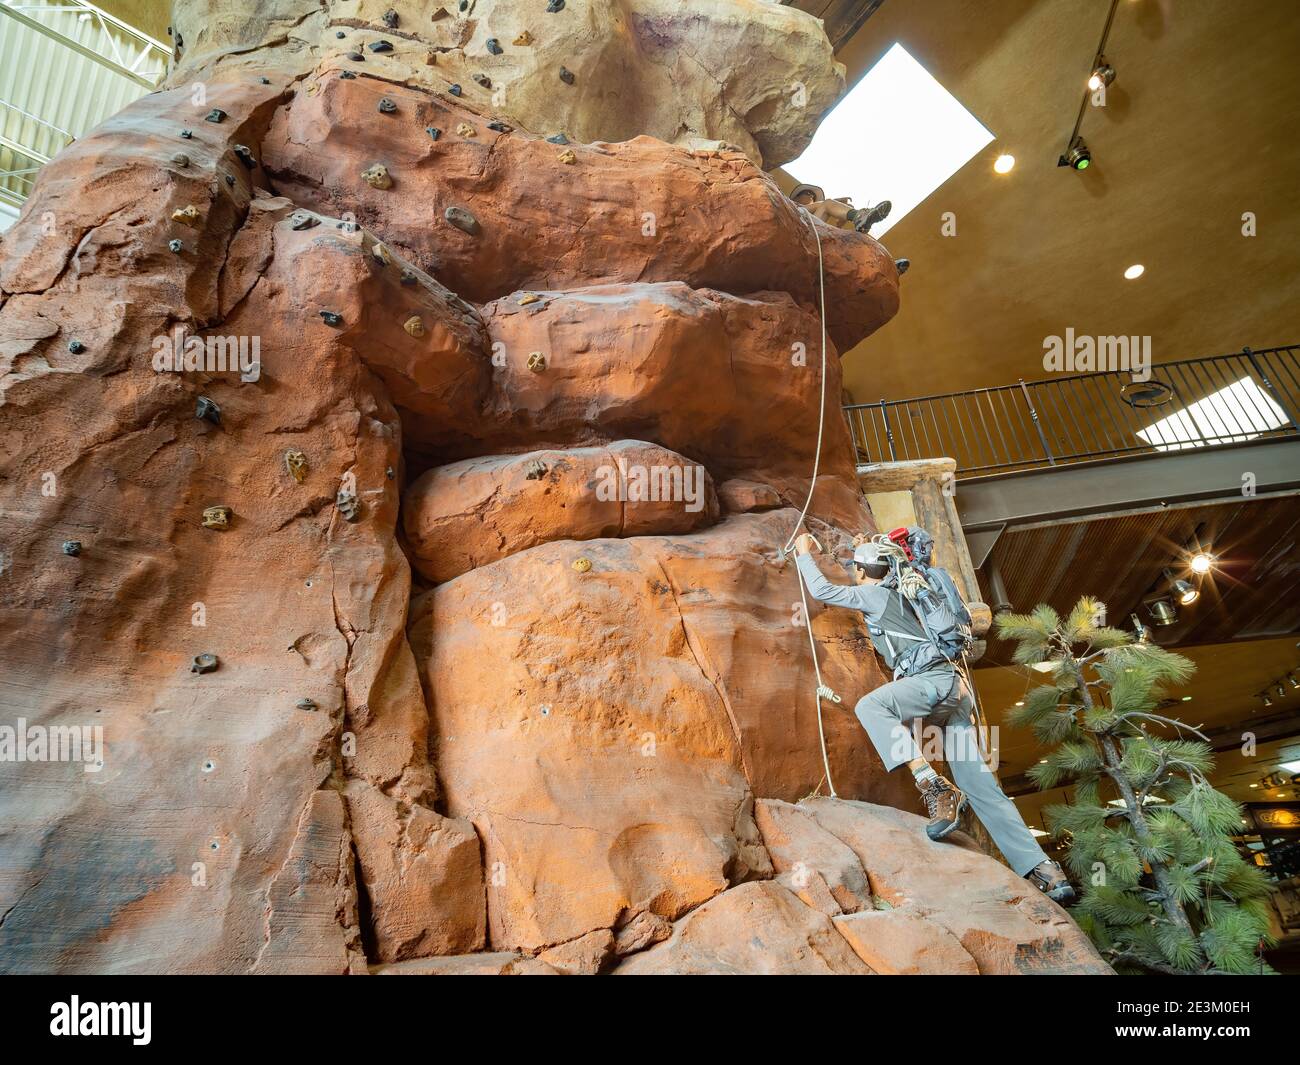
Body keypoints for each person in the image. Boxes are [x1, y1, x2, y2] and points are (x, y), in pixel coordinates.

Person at [793, 529, 1075, 903]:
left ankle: (932, 785)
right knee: (981, 785)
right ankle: (1044, 870)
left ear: (864, 572)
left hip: (930, 684)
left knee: (871, 706)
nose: (853, 574)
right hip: (957, 693)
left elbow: (824, 592)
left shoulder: (873, 594)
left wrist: (801, 553)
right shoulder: (909, 587)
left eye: (855, 569)